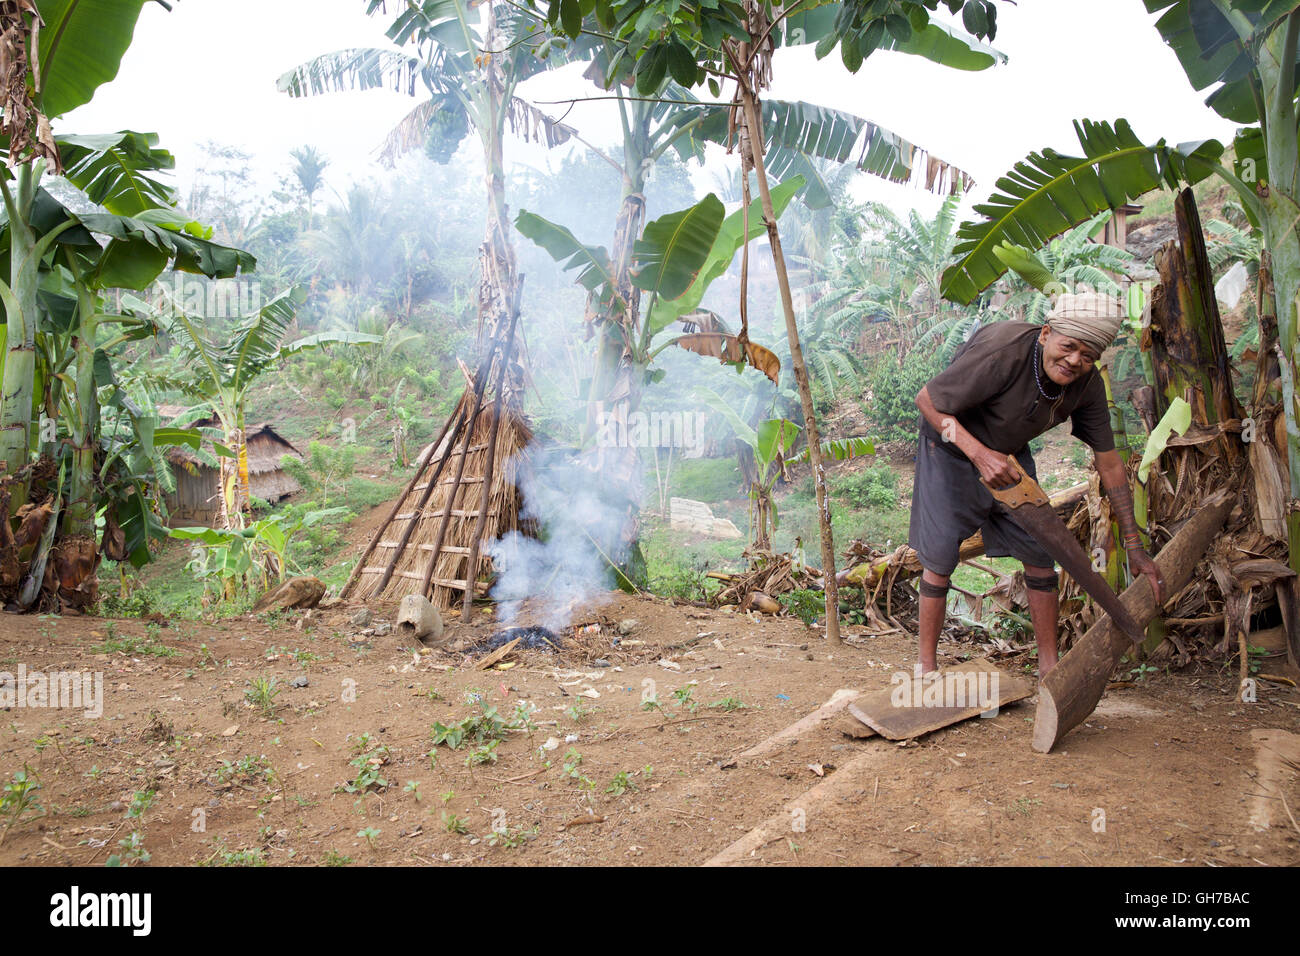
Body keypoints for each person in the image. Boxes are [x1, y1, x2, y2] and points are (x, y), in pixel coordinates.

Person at [909, 292, 1163, 676]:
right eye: (1069, 346)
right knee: (941, 560)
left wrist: (1135, 546)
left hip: (1009, 455)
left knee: (1042, 556)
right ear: (1046, 333)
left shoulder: (1086, 385)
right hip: (949, 447)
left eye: (1088, 355)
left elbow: (1109, 464)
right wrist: (979, 454)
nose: (1075, 360)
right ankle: (926, 669)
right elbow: (927, 400)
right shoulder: (1004, 349)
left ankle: (1050, 669)